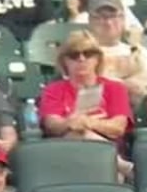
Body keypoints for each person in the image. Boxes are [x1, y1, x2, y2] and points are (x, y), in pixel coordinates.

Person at [37, 30, 133, 173]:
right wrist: (69, 123)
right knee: (76, 133)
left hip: (107, 154)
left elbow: (118, 127)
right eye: (74, 55)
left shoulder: (115, 88)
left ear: (97, 59)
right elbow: (52, 125)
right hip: (66, 156)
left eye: (88, 54)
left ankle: (116, 164)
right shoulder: (53, 90)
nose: (81, 59)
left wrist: (87, 122)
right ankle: (122, 165)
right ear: (64, 61)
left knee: (79, 131)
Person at [86, 0, 147, 105]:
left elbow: (141, 92)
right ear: (90, 20)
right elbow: (83, 89)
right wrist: (124, 84)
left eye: (113, 16)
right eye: (100, 17)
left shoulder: (140, 53)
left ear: (123, 18)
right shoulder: (80, 54)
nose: (108, 22)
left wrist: (105, 83)